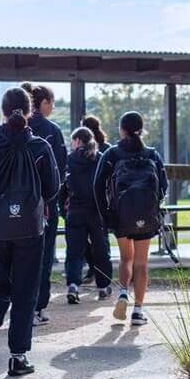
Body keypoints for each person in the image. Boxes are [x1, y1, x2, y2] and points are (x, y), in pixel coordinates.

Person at [0, 87, 59, 376]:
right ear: (31, 111)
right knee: (25, 291)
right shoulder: (40, 147)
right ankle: (18, 357)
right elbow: (53, 188)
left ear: (2, 111)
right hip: (31, 229)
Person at [93, 111, 168, 327]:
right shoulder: (152, 154)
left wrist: (106, 214)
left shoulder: (112, 154)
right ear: (141, 129)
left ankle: (124, 293)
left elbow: (97, 185)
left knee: (126, 258)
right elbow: (163, 186)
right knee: (142, 263)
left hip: (120, 216)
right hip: (146, 216)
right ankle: (138, 311)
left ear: (121, 129)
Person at [21, 82, 67, 326]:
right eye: (52, 102)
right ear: (44, 103)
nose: (53, 107)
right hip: (45, 205)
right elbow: (60, 170)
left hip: (14, 207)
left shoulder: (16, 127)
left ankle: (19, 305)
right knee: (43, 257)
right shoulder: (52, 131)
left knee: (18, 258)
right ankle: (38, 307)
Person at [59, 127, 113, 304]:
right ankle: (103, 286)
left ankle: (73, 285)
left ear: (77, 141)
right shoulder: (100, 159)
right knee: (100, 250)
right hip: (96, 212)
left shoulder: (70, 159)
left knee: (74, 252)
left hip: (75, 211)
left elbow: (63, 188)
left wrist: (63, 211)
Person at [79, 115, 111, 284]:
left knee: (86, 238)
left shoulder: (92, 150)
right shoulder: (107, 148)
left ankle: (94, 269)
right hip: (102, 200)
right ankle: (101, 274)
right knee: (102, 240)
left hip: (89, 200)